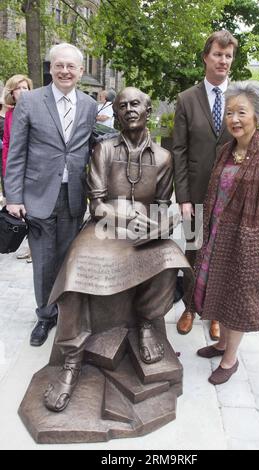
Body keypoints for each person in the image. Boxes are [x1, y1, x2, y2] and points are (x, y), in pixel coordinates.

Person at [43, 86, 190, 412]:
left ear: (148, 109)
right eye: (122, 105)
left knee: (170, 257)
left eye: (135, 103)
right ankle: (72, 359)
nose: (129, 109)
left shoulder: (163, 158)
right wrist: (130, 217)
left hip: (144, 233)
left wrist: (163, 224)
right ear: (116, 113)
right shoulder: (104, 150)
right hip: (104, 228)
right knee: (77, 265)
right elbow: (97, 206)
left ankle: (145, 323)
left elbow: (163, 206)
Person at [195, 80, 259, 385]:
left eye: (242, 113)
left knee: (237, 300)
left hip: (247, 245)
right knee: (220, 292)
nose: (234, 119)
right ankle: (221, 343)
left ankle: (230, 359)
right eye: (230, 113)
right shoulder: (226, 151)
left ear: (257, 116)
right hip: (217, 238)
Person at [5, 43, 98, 346]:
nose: (65, 71)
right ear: (51, 68)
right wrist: (14, 197)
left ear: (80, 71)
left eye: (71, 66)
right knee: (44, 262)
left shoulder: (88, 105)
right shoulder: (30, 102)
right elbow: (16, 154)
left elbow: (90, 148)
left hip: (73, 196)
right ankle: (45, 317)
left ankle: (67, 314)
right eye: (59, 65)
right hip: (38, 195)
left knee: (68, 259)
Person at [173, 30, 238, 340]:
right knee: (193, 250)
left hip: (230, 196)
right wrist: (183, 198)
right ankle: (189, 307)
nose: (223, 60)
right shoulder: (186, 99)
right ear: (205, 57)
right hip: (196, 195)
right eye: (217, 54)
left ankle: (213, 312)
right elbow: (179, 151)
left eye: (228, 56)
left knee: (221, 253)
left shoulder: (241, 98)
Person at [2, 75, 33, 196]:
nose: (22, 91)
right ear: (12, 93)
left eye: (25, 88)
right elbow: (7, 144)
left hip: (34, 170)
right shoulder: (10, 114)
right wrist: (7, 171)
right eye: (18, 88)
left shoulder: (37, 111)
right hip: (15, 169)